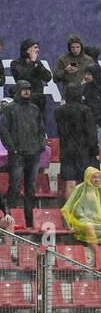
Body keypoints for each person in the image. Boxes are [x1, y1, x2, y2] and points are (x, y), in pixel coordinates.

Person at [0, 79, 46, 224]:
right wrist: (12, 148)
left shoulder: (34, 108)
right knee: (14, 187)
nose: (27, 92)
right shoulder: (9, 109)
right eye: (24, 89)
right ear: (18, 90)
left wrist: (40, 145)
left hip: (34, 154)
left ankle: (29, 220)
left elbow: (41, 129)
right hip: (17, 155)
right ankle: (11, 218)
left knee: (30, 189)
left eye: (29, 89)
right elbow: (4, 131)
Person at [54, 82, 97, 192]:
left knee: (70, 180)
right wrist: (94, 148)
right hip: (84, 150)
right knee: (85, 181)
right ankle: (84, 207)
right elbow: (91, 132)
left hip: (66, 150)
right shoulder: (86, 110)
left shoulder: (59, 111)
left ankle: (70, 207)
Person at [62, 167, 101, 245]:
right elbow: (75, 208)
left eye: (99, 177)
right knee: (89, 226)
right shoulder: (80, 189)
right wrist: (89, 216)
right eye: (94, 177)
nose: (97, 180)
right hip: (84, 219)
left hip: (100, 219)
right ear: (88, 178)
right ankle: (96, 252)